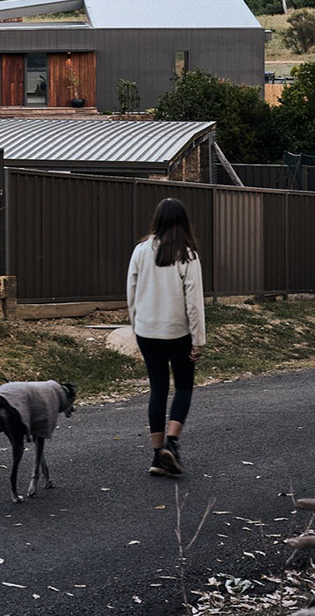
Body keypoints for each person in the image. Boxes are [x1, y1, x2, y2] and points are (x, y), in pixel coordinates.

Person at [126, 196, 205, 477]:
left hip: (147, 331)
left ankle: (158, 455)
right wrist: (198, 340)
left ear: (157, 220)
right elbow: (193, 303)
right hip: (178, 332)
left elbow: (131, 293)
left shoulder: (140, 251)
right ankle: (172, 441)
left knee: (158, 388)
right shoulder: (187, 255)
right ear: (183, 221)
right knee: (183, 386)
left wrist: (137, 327)